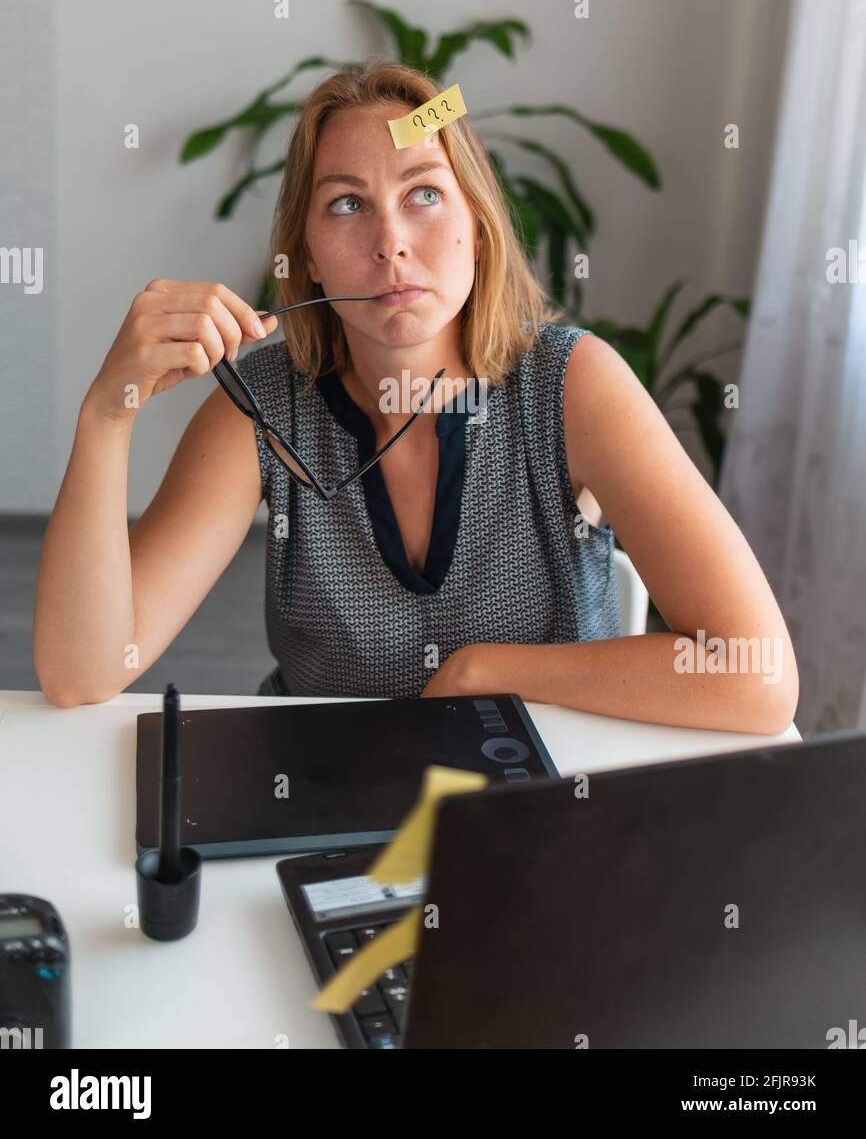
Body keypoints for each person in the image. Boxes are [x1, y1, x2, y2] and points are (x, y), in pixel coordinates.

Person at [33, 60, 798, 733]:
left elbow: (757, 675)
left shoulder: (572, 386)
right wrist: (108, 412)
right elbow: (82, 673)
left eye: (424, 193)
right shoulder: (258, 410)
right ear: (307, 257)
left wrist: (486, 672)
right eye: (345, 204)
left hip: (537, 806)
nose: (389, 240)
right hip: (321, 798)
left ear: (479, 224)